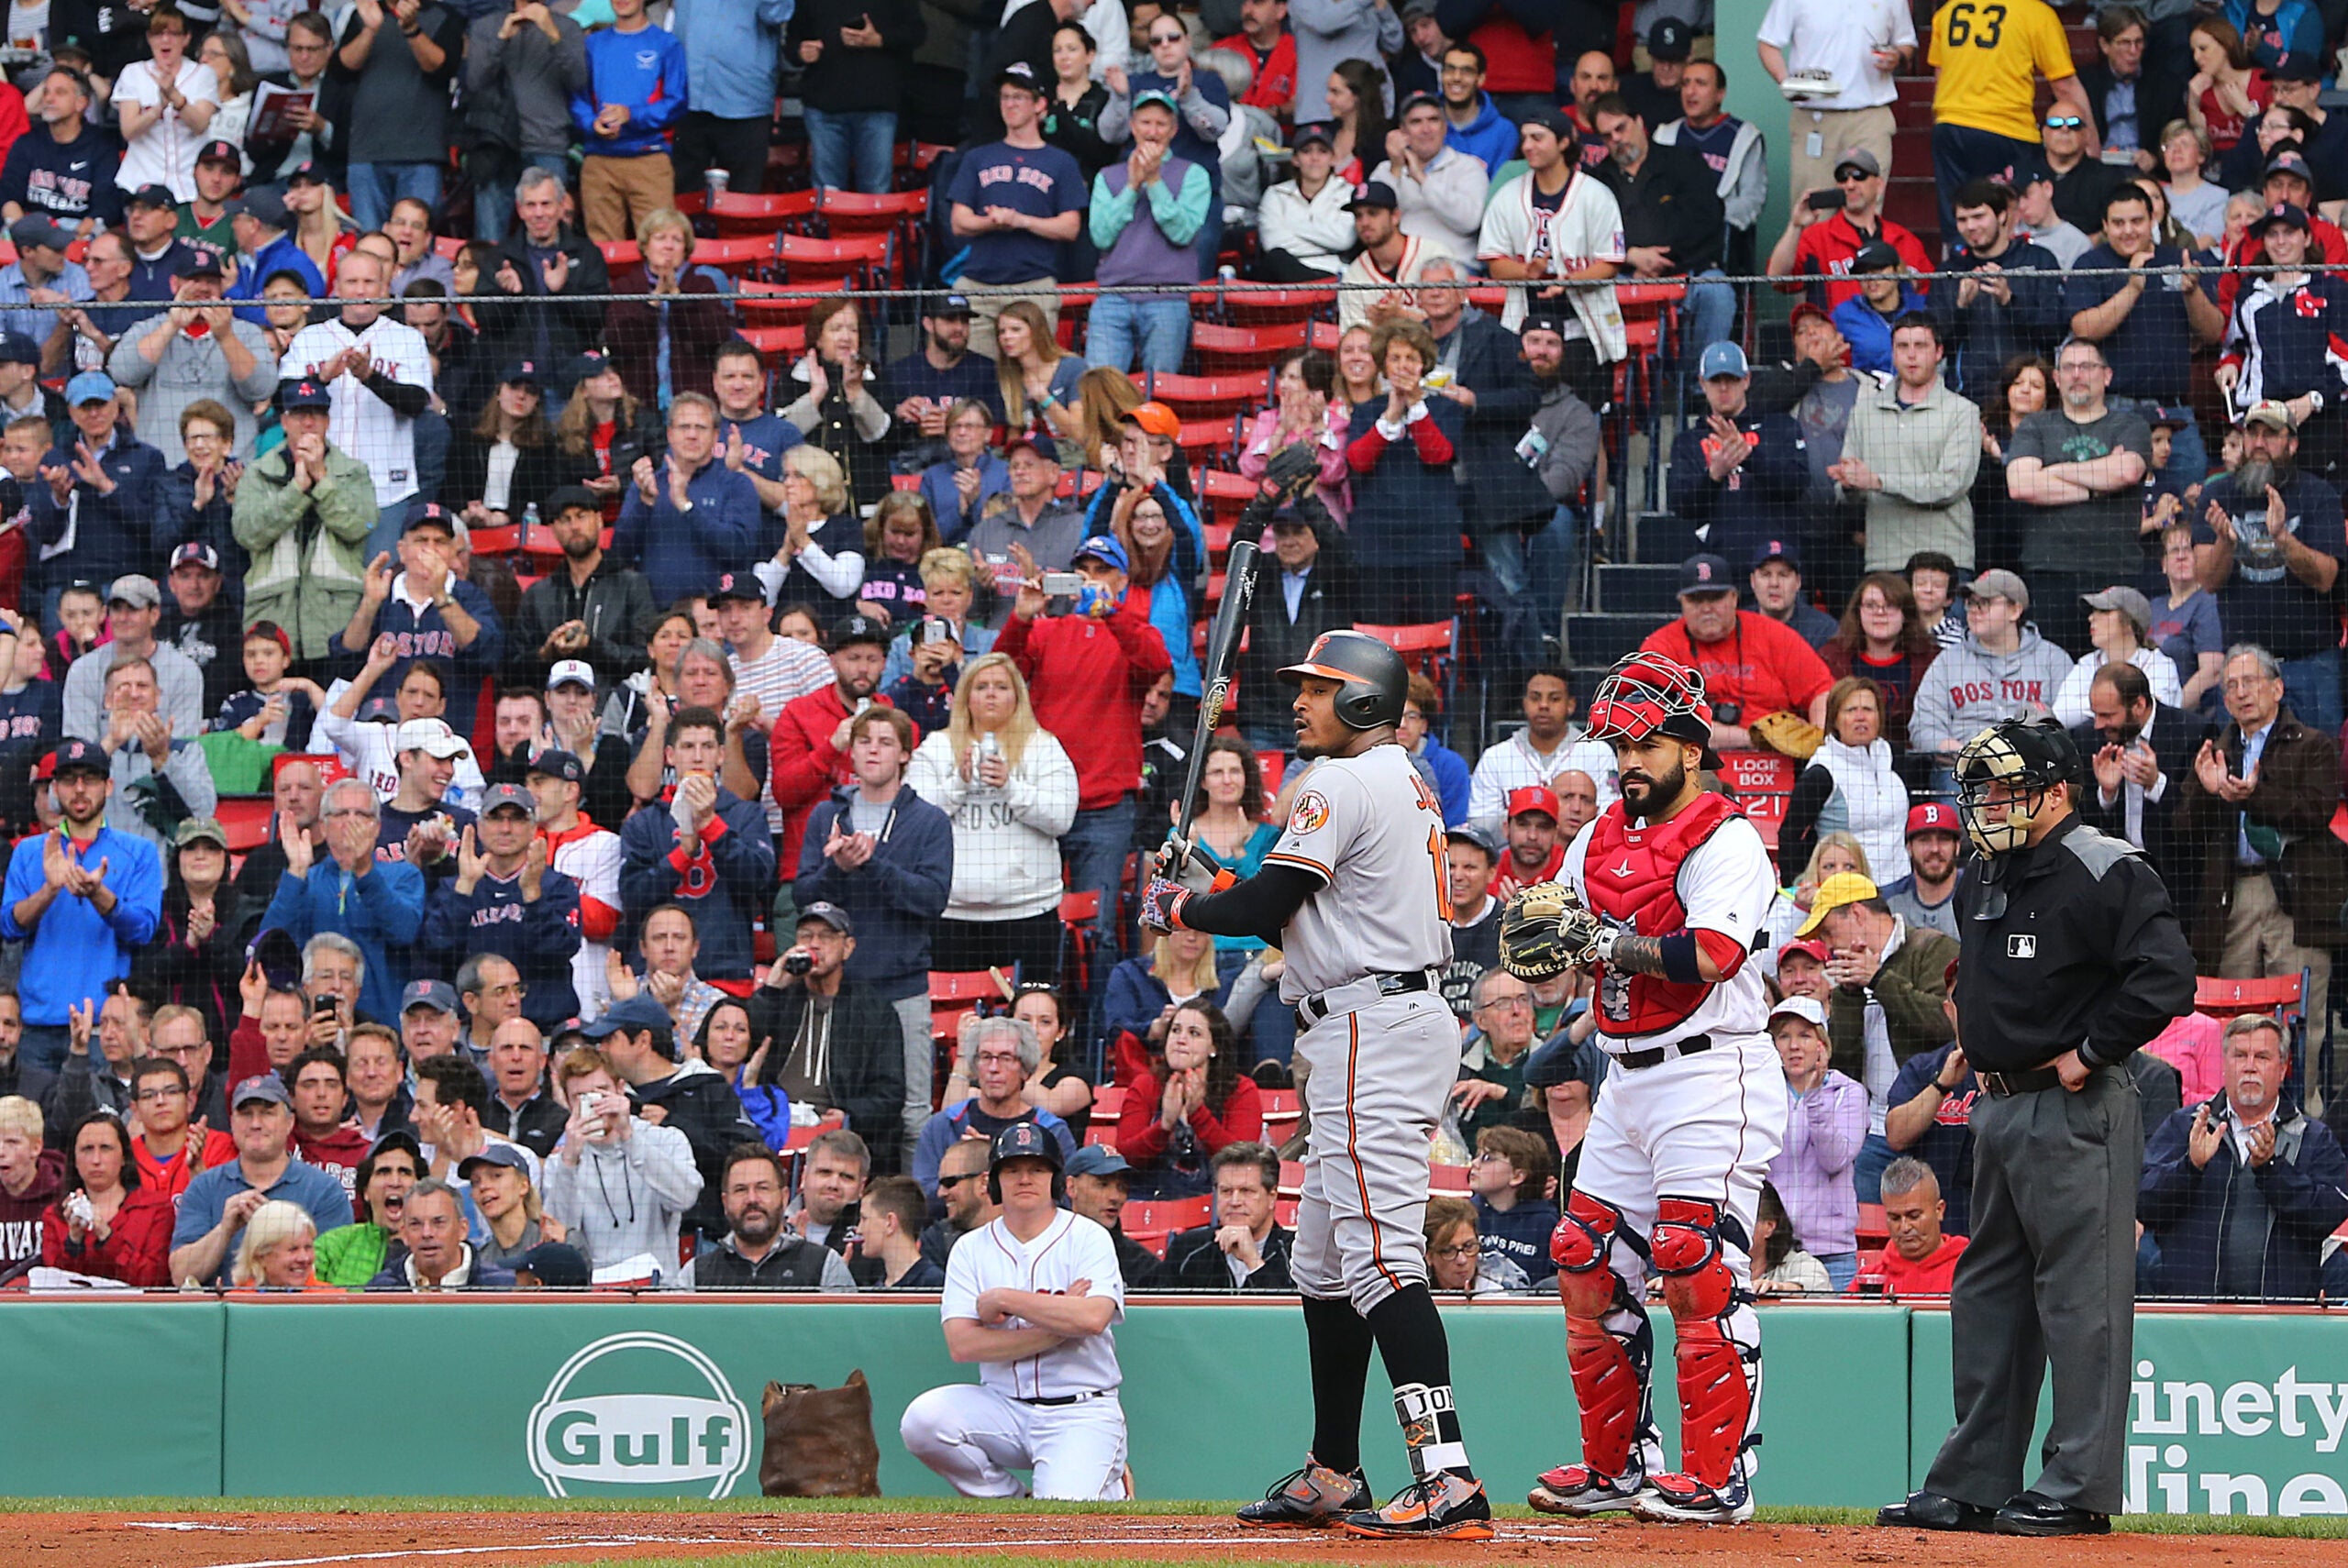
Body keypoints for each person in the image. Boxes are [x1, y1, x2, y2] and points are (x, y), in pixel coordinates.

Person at [1142, 630, 1491, 1538]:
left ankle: (1446, 1475)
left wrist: (1180, 907)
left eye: (1320, 688)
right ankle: (1334, 1470)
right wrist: (1211, 880)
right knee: (1326, 1263)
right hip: (1377, 1012)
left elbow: (1266, 908)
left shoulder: (1339, 780)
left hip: (1367, 1029)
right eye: (1300, 687)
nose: (1299, 700)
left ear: (1366, 700)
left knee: (1378, 1256)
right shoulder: (1396, 777)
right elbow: (1300, 903)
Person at [1877, 716, 2193, 1536]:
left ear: (2056, 791)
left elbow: (2167, 978)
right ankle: (1973, 1479)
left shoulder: (2106, 867)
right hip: (1997, 1109)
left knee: (2081, 1302)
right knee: (1988, 1297)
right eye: (1980, 788)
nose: (1985, 804)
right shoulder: (1987, 869)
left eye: (2003, 788)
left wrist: (2091, 1050)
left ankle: (2078, 1489)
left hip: (2074, 1107)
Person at [1499, 649, 1786, 1526]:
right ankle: (1618, 1466)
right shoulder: (1599, 835)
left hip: (1714, 1068)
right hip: (1625, 1075)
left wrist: (1600, 942)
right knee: (1584, 1259)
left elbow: (1707, 957)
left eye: (1647, 744)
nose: (1627, 761)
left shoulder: (1727, 837)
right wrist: (1547, 942)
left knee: (1693, 1266)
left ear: (1689, 751)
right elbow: (1557, 935)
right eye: (1619, 746)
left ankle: (1720, 1479)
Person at [899, 1121, 1128, 1496]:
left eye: (1037, 1168)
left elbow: (1092, 1317)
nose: (1025, 1178)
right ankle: (1010, 1499)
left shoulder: (1089, 1237)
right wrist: (1057, 1323)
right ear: (994, 1182)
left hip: (1079, 1412)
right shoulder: (971, 1249)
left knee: (1061, 1521)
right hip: (1002, 1406)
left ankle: (1106, 1482)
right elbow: (963, 1345)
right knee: (924, 1421)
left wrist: (1005, 1299)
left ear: (1055, 1179)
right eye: (1013, 1169)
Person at [2184, 644, 2344, 1073]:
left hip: (2296, 899)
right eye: (2230, 685)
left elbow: (2315, 811)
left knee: (2299, 1018)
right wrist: (2206, 789)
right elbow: (2184, 829)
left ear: (2277, 688)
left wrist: (2255, 796)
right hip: (2232, 894)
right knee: (2232, 1016)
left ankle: (2301, 1114)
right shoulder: (2215, 748)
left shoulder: (2314, 745)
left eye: (2250, 682)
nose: (2240, 693)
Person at [2139, 1013, 2348, 1301]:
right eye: (2240, 1056)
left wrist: (2272, 1169)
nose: (2249, 1067)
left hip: (2280, 1320)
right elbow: (2143, 1203)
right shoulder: (2185, 1125)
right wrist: (2190, 1166)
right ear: (2224, 1065)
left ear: (2283, 1066)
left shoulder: (2313, 1137)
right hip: (2190, 1318)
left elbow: (2329, 1213)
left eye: (2262, 1057)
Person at [0, 737, 162, 1074]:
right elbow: (9, 928)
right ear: (55, 788)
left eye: (89, 779)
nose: (78, 789)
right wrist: (49, 889)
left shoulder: (140, 851)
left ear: (109, 785)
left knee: (101, 1124)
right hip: (38, 1022)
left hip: (105, 1025)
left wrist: (97, 893)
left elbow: (144, 931)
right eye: (68, 780)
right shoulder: (30, 852)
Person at [2192, 403, 2345, 734]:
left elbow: (2326, 579)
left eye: (2271, 434)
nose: (2259, 443)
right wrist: (2225, 543)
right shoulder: (2218, 494)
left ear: (2292, 443)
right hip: (2242, 668)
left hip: (2310, 664)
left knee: (2321, 774)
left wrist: (2281, 537)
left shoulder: (2319, 495)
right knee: (2240, 773)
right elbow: (2207, 581)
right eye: (2252, 433)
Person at [260, 777, 426, 1027]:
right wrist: (295, 871)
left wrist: (365, 872)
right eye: (340, 813)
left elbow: (403, 931)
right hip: (314, 1028)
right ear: (323, 827)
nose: (351, 821)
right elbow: (268, 950)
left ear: (377, 827)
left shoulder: (403, 875)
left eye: (362, 814)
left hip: (381, 1031)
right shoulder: (306, 879)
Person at [947, 65, 1087, 359]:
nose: (1010, 104)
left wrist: (1021, 221)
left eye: (1019, 97)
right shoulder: (977, 157)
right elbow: (959, 222)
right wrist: (992, 222)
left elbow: (1070, 227)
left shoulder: (1061, 162)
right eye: (1005, 97)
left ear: (1039, 105)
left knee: (1035, 376)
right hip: (978, 284)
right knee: (977, 381)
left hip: (1033, 285)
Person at [1925, 0, 2093, 239]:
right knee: (2011, 216)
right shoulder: (2035, 13)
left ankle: (1957, 269)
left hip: (1950, 126)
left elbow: (1939, 76)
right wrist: (2091, 141)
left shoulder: (1948, 11)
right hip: (2007, 129)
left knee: (1958, 214)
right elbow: (2064, 85)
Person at [167, 1073, 354, 1286]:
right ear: (232, 1123)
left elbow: (335, 1275)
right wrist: (225, 1229)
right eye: (246, 1114)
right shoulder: (204, 1187)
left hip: (300, 1313)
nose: (256, 1123)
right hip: (222, 1314)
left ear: (290, 1122)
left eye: (267, 1113)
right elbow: (181, 1276)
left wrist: (276, 1230)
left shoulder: (324, 1190)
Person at [1639, 552, 1833, 754]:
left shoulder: (1775, 635)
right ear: (1682, 603)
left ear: (1734, 597)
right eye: (1696, 600)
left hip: (1777, 758)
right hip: (1696, 760)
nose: (1706, 608)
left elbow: (1823, 693)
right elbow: (1656, 719)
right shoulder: (1660, 647)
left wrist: (1819, 744)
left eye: (1716, 598)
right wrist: (1749, 737)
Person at [1834, 316, 1983, 574]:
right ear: (1892, 354)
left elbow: (1950, 485)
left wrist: (1878, 482)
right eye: (1903, 346)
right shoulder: (1863, 412)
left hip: (1944, 561)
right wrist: (1848, 485)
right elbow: (1846, 492)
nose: (1911, 355)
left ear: (1938, 352)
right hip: (1883, 560)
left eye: (1921, 346)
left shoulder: (1963, 411)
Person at [1590, 95, 1731, 359]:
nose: (1616, 139)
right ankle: (1617, 390)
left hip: (1687, 272)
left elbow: (1708, 220)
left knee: (1717, 293)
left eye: (1621, 128)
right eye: (1607, 136)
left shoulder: (1683, 162)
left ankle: (1698, 391)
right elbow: (1587, 236)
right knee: (1589, 293)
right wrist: (1629, 257)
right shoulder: (1597, 181)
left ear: (1639, 122)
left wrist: (1661, 262)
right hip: (1621, 276)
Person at [1909, 569, 2073, 774]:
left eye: (1985, 603)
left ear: (2015, 610)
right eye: (1971, 602)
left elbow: (2067, 726)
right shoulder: (1947, 662)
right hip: (1965, 774)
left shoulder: (2053, 660)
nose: (1974, 610)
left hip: (2034, 772)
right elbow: (1923, 727)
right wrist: (1966, 755)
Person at [1667, 345, 1811, 576]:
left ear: (1746, 380)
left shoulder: (1780, 426)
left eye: (1732, 379)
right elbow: (1681, 505)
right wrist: (1713, 476)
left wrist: (1749, 456)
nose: (1724, 388)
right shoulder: (1688, 441)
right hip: (1719, 571)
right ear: (1702, 383)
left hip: (1775, 568)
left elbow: (1797, 483)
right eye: (1716, 381)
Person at [1755, 0, 1911, 202]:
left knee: (1866, 208)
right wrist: (1788, 83)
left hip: (1870, 115)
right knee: (1815, 207)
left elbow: (1906, 41)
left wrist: (1897, 57)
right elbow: (1768, 43)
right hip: (1814, 117)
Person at [39, 1108, 171, 1284]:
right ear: (75, 1160)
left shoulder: (157, 1208)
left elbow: (154, 1280)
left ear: (124, 1156)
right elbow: (53, 1286)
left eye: (106, 1148)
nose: (96, 1159)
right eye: (87, 1149)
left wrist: (107, 1236)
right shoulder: (55, 1216)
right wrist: (74, 1241)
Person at [1152, 1140, 1294, 1290]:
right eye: (1226, 1191)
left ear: (1271, 1197)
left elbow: (1294, 1311)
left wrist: (1253, 1262)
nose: (1235, 1201)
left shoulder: (1296, 1251)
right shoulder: (1187, 1249)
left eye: (1246, 1191)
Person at [1848, 1156, 1967, 1299]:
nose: (1904, 1227)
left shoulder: (1970, 1272)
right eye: (1895, 1218)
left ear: (1939, 1210)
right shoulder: (1870, 1281)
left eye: (1914, 1216)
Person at [1878, 803, 1964, 942]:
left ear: (1957, 846)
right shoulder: (1888, 901)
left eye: (1943, 839)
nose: (1935, 849)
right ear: (1909, 847)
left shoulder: (1977, 893)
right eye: (1924, 840)